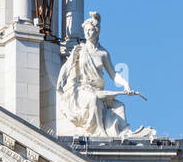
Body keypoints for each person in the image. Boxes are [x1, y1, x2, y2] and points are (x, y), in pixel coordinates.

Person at [56, 11, 145, 139]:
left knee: (120, 106)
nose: (87, 32)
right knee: (93, 99)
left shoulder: (103, 54)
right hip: (82, 91)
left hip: (98, 91)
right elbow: (67, 67)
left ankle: (123, 134)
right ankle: (99, 133)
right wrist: (60, 83)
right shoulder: (80, 50)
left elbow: (114, 75)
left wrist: (126, 84)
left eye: (91, 30)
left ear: (97, 32)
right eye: (86, 30)